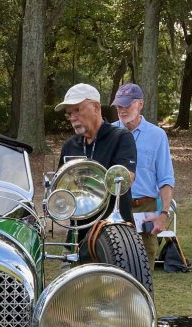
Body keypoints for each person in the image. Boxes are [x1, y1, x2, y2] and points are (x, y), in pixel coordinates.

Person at [111, 83, 175, 264]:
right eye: (118, 106)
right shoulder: (109, 133)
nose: (122, 110)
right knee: (114, 265)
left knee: (144, 267)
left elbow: (166, 179)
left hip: (145, 210)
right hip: (115, 208)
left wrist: (163, 214)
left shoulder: (157, 135)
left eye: (127, 105)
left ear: (140, 104)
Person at [56, 83, 137, 224]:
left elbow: (126, 178)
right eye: (69, 113)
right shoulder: (69, 146)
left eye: (77, 110)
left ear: (96, 107)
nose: (73, 117)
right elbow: (60, 187)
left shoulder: (121, 138)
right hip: (77, 233)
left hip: (113, 233)